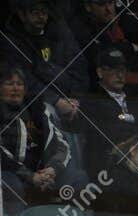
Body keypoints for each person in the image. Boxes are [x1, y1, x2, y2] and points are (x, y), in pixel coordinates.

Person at [75, 45, 138, 176]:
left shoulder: (136, 93)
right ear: (100, 72)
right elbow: (105, 135)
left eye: (122, 70)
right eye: (113, 70)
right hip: (111, 165)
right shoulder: (92, 100)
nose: (119, 75)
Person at [0, 67, 85, 207]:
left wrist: (52, 170)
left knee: (78, 178)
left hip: (42, 173)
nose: (15, 88)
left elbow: (61, 145)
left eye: (19, 84)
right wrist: (30, 176)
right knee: (12, 186)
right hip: (12, 173)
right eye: (9, 84)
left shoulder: (37, 110)